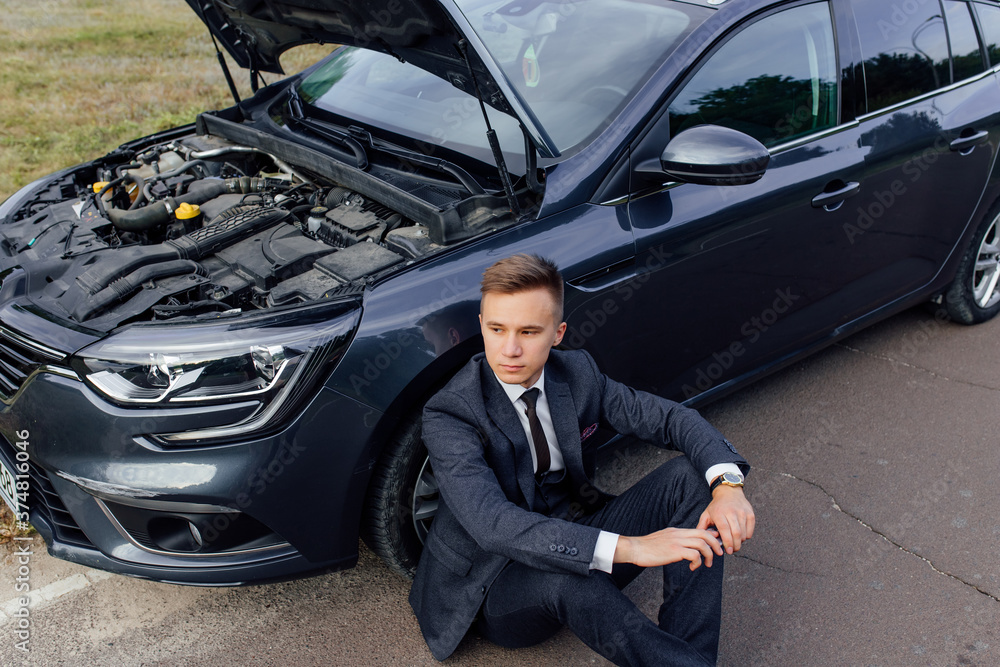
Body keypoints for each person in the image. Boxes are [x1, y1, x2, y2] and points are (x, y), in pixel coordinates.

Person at [409, 254, 755, 665]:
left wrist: (728, 487)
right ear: (482, 323)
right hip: (495, 578)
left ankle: (692, 657)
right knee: (578, 581)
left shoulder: (577, 375)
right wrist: (632, 548)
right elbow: (492, 525)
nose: (510, 349)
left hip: (573, 524)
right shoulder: (452, 412)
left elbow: (671, 418)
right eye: (497, 329)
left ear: (557, 333)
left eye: (529, 331)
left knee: (697, 481)